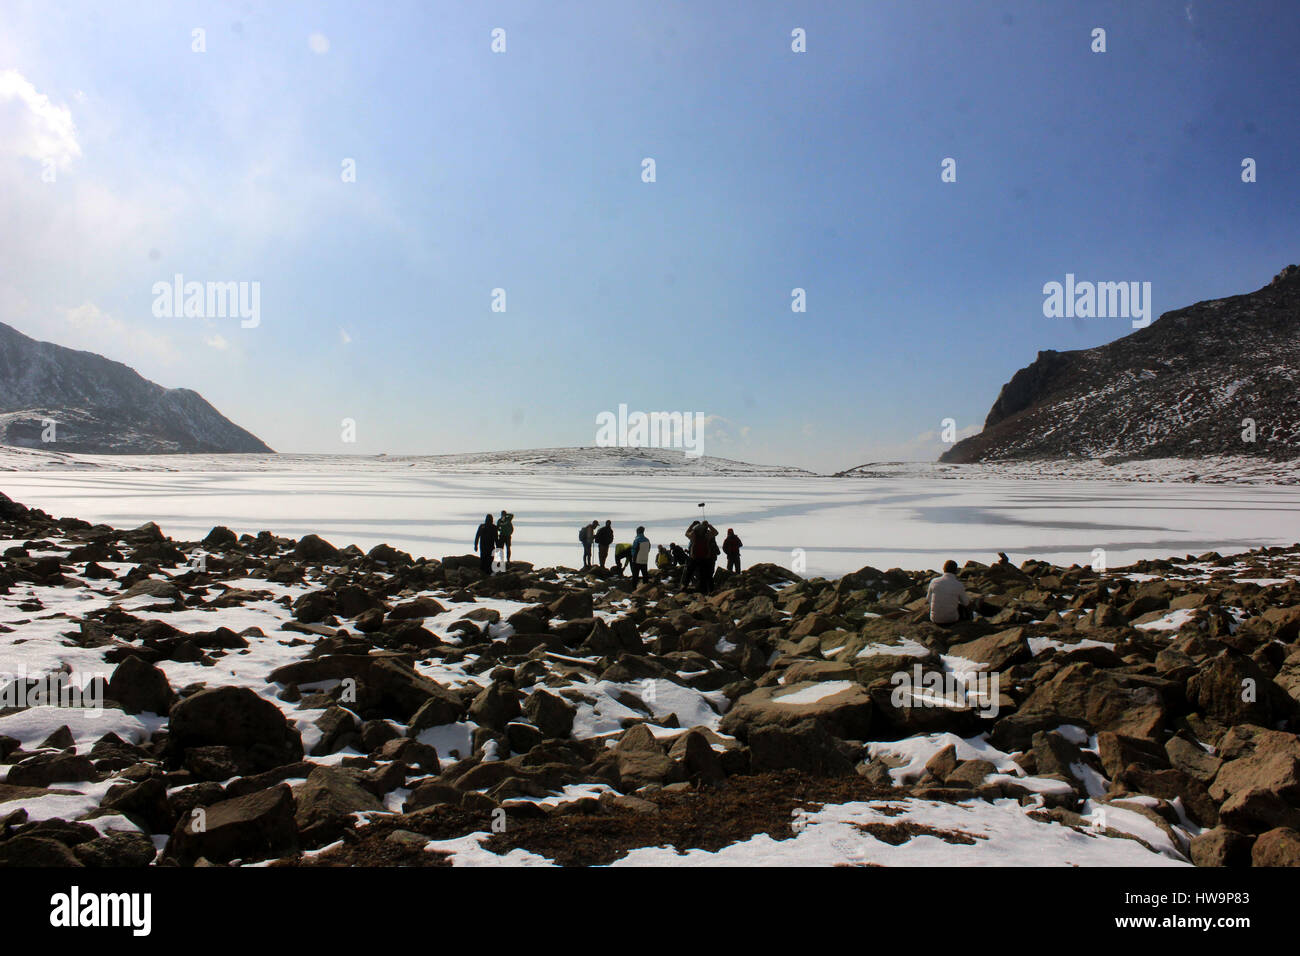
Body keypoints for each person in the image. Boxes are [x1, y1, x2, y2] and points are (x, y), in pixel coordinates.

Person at [927, 559, 972, 626]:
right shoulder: (958, 585)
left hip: (935, 619)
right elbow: (966, 603)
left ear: (943, 569)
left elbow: (928, 599)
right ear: (956, 571)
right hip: (951, 620)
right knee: (962, 607)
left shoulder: (934, 582)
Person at [689, 520, 719, 594]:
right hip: (709, 557)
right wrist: (709, 525)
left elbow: (687, 534)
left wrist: (692, 526)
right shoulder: (708, 534)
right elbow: (716, 532)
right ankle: (710, 590)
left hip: (698, 557)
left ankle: (702, 590)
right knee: (709, 574)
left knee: (700, 574)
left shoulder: (695, 535)